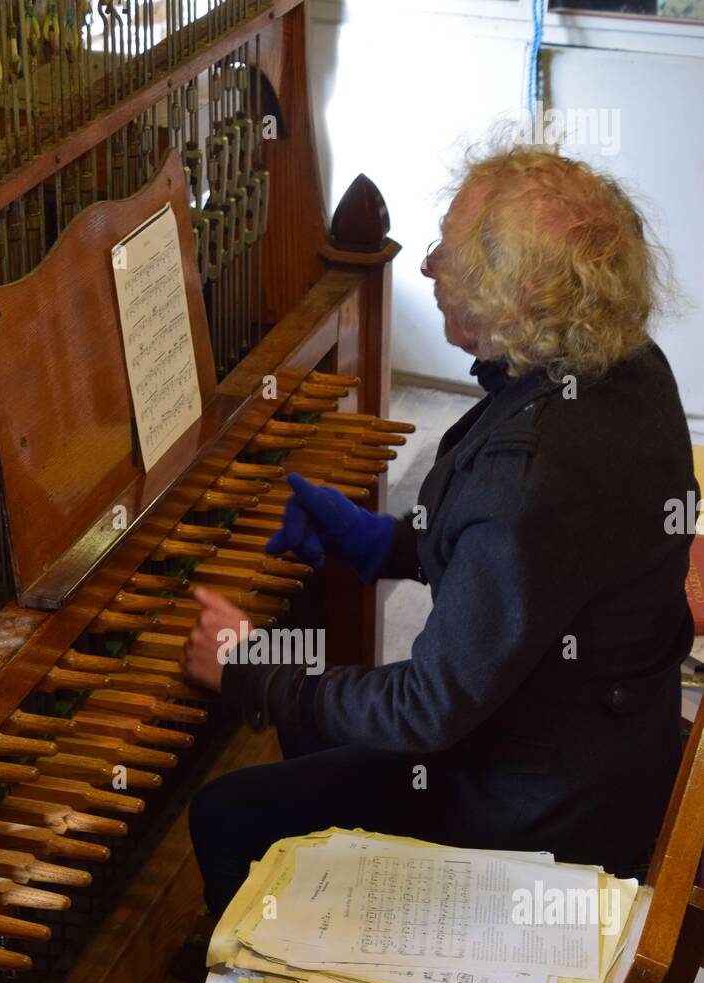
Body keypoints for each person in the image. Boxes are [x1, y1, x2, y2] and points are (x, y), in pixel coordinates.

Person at [182, 143, 697, 918]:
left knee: (228, 812)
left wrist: (255, 672)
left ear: (518, 295)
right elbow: (537, 573)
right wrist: (381, 542)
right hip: (611, 750)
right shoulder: (630, 368)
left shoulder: (530, 476)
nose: (426, 269)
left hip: (537, 814)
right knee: (317, 737)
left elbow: (427, 708)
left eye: (449, 257)